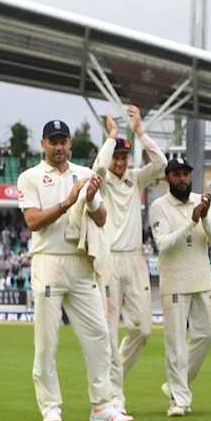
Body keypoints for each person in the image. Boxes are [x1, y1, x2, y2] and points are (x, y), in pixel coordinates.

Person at [18, 119, 130, 421]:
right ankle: (50, 406)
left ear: (70, 144)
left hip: (81, 263)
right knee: (47, 341)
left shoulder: (85, 174)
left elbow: (102, 217)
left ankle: (102, 406)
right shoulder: (31, 177)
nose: (58, 147)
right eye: (52, 141)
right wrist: (68, 202)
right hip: (48, 261)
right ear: (43, 144)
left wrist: (91, 196)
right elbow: (33, 221)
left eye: (63, 141)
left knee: (99, 336)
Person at [92, 105, 167, 385]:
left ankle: (114, 380)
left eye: (124, 157)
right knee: (109, 330)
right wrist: (112, 137)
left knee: (143, 330)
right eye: (117, 157)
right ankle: (113, 393)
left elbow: (161, 164)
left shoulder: (135, 179)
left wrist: (140, 133)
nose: (120, 163)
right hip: (109, 259)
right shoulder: (101, 182)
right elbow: (98, 167)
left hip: (135, 260)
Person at [152, 156, 211, 417]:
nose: (182, 178)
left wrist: (204, 218)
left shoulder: (201, 201)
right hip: (174, 280)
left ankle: (175, 385)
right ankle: (179, 400)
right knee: (176, 344)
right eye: (176, 174)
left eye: (185, 174)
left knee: (205, 337)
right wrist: (191, 222)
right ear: (167, 178)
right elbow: (164, 244)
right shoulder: (159, 206)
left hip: (202, 278)